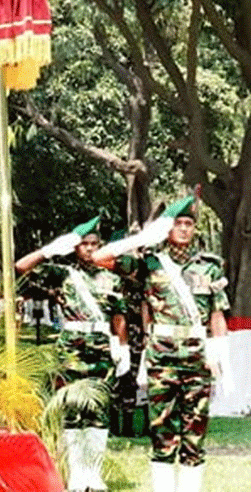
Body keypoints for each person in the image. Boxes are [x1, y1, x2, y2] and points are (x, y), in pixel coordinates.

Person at [92, 195, 231, 492]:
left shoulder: (209, 266)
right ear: (167, 229)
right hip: (162, 361)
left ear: (194, 229)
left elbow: (217, 314)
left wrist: (222, 358)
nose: (183, 229)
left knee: (195, 435)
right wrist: (142, 238)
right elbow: (98, 257)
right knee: (162, 434)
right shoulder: (149, 264)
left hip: (197, 359)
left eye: (188, 224)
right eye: (177, 223)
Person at [15, 217, 129, 492]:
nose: (90, 249)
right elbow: (20, 268)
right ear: (75, 248)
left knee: (98, 411)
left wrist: (122, 347)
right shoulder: (62, 274)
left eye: (94, 244)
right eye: (84, 244)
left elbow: (119, 316)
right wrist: (49, 250)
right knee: (72, 410)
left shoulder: (112, 277)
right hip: (71, 348)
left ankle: (94, 474)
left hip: (101, 346)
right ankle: (77, 475)